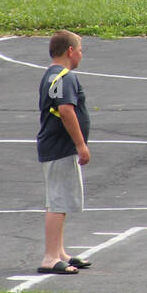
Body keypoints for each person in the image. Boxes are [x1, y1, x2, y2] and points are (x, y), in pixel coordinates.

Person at [36, 30, 92, 274]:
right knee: (58, 201)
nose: (81, 54)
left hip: (55, 146)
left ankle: (59, 252)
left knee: (59, 199)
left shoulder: (51, 75)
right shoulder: (65, 77)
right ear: (70, 51)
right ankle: (50, 258)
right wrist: (81, 144)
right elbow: (66, 110)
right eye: (80, 50)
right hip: (60, 146)